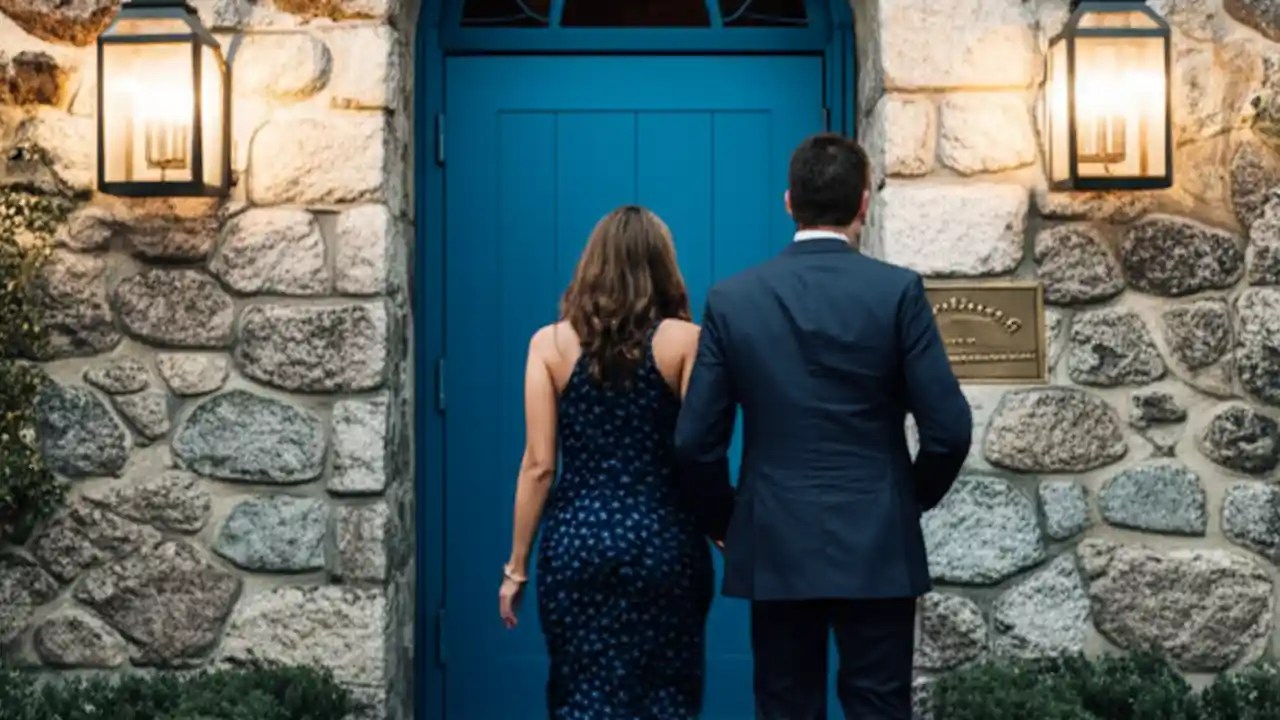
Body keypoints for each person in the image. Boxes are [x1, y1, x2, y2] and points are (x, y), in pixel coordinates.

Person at [674, 133, 973, 720]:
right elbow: (949, 430)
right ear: (864, 202)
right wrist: (904, 499)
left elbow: (693, 443)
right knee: (879, 706)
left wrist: (728, 521)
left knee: (785, 706)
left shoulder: (734, 299)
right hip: (877, 538)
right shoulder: (897, 292)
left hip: (776, 535)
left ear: (789, 202)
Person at [497, 205, 722, 719]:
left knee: (581, 696)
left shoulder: (548, 345)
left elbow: (539, 465)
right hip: (664, 542)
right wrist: (725, 534)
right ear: (663, 266)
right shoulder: (686, 342)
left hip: (577, 545)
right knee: (667, 698)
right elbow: (698, 455)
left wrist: (516, 567)